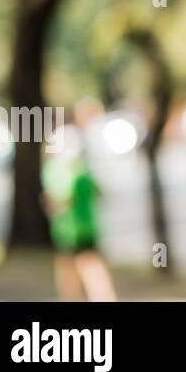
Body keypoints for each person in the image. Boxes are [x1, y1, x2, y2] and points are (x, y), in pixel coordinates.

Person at [41, 123, 117, 302]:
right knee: (89, 265)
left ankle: (76, 297)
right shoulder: (84, 171)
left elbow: (59, 199)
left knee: (72, 267)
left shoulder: (57, 170)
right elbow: (98, 193)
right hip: (88, 225)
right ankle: (103, 296)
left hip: (69, 229)